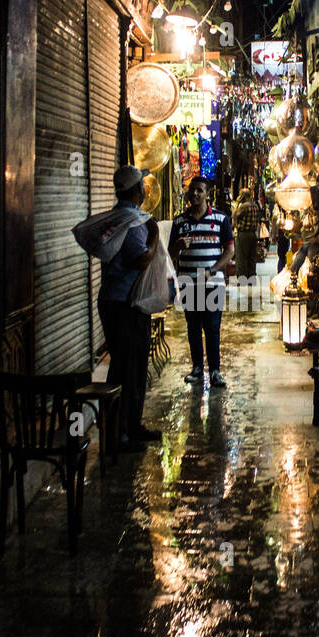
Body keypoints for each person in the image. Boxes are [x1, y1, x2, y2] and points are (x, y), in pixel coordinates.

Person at [97, 166, 163, 449]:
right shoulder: (134, 222)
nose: (146, 189)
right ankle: (120, 434)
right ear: (138, 190)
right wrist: (155, 234)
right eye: (143, 185)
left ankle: (130, 427)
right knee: (128, 369)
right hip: (126, 306)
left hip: (115, 301)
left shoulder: (115, 218)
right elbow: (142, 259)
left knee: (130, 367)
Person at [170, 176, 234, 388]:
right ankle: (197, 368)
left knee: (213, 327)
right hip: (188, 283)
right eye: (192, 190)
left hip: (213, 284)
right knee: (193, 327)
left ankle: (215, 370)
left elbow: (229, 250)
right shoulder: (179, 222)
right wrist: (177, 246)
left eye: (199, 191)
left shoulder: (220, 219)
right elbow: (170, 255)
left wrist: (212, 271)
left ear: (208, 194)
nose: (194, 194)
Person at [232, 186, 263, 278]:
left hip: (243, 234)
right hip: (253, 234)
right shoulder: (255, 206)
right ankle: (251, 277)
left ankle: (242, 279)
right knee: (251, 257)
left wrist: (237, 203)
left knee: (241, 257)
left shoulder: (244, 206)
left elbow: (235, 215)